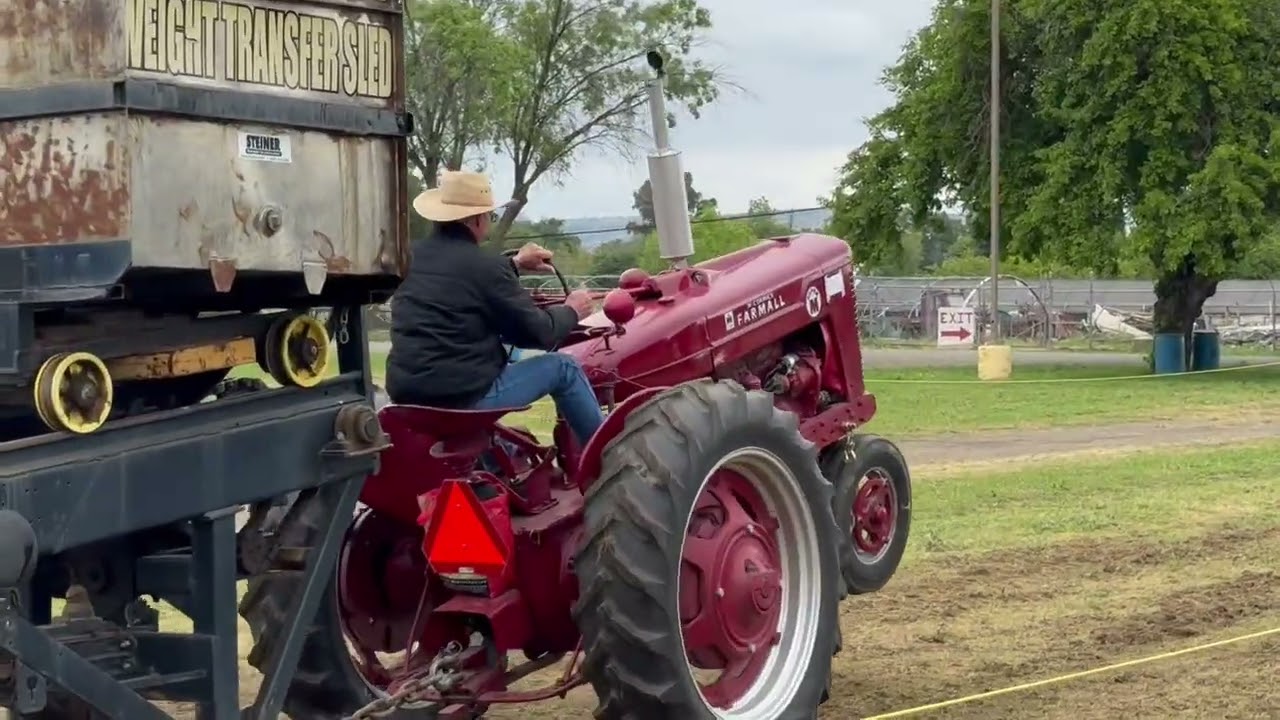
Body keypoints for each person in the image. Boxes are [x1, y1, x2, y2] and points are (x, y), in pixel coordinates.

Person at [385, 170, 605, 444]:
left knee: (508, 357)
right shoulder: (484, 266)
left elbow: (460, 282)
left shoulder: (409, 257)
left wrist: (514, 264)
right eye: (489, 216)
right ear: (476, 220)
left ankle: (500, 458)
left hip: (406, 396)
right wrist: (572, 309)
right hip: (460, 398)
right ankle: (610, 456)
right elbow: (538, 334)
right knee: (564, 367)